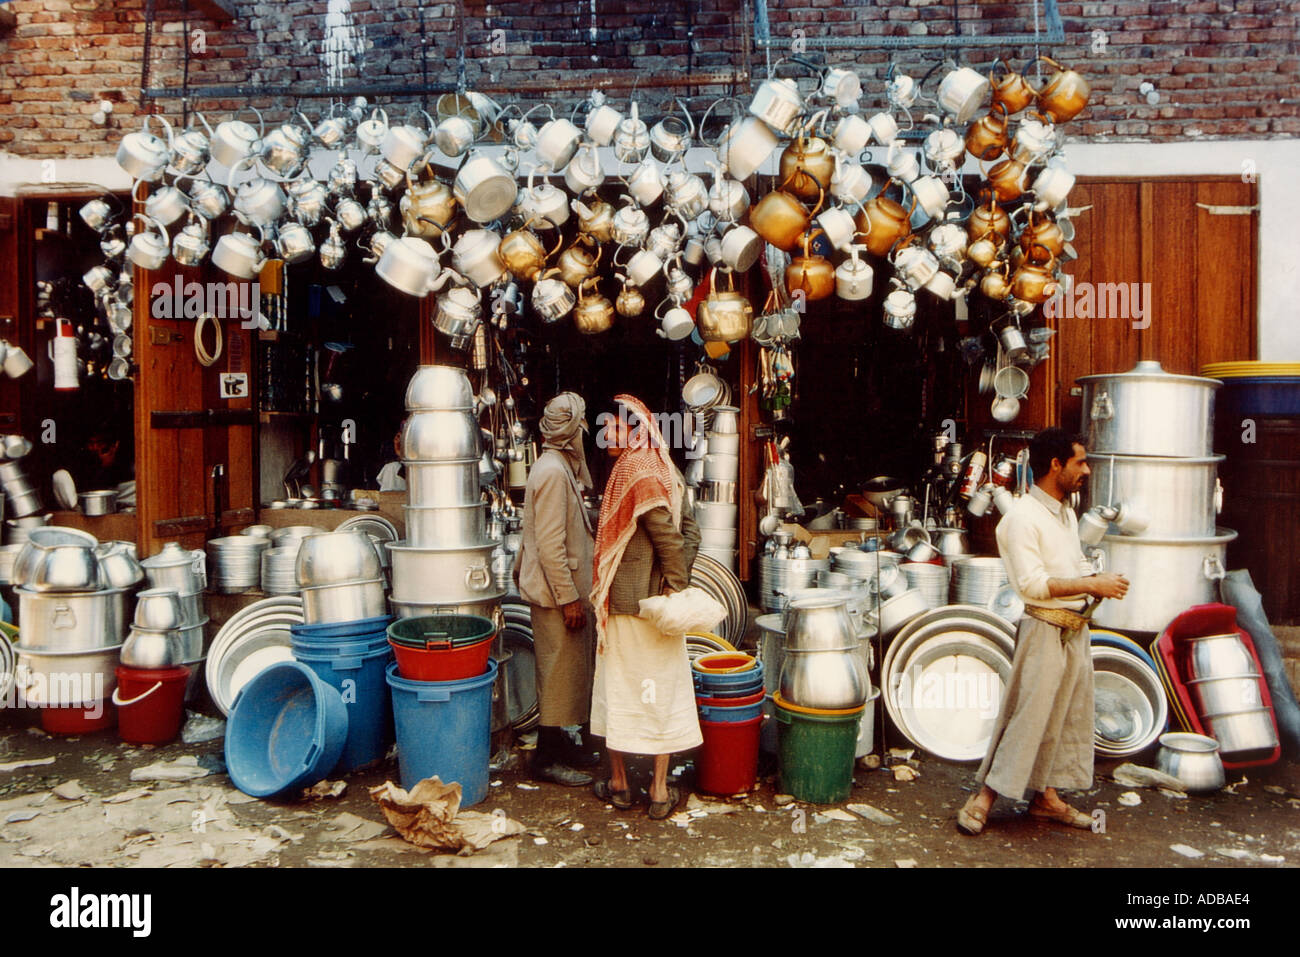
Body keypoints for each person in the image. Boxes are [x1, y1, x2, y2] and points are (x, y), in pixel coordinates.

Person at [957, 428, 1130, 836]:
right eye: (1080, 463)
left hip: (1074, 630)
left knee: (1066, 715)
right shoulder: (1020, 518)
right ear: (1056, 465)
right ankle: (983, 798)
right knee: (1027, 715)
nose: (1086, 470)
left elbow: (1068, 566)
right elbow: (1034, 585)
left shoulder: (1065, 512)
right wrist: (1091, 585)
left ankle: (1046, 798)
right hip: (1042, 627)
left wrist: (1094, 578)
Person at [588, 394, 702, 820]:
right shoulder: (665, 468)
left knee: (619, 691)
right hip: (651, 605)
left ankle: (622, 784)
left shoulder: (635, 470)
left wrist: (671, 589)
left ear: (635, 431)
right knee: (661, 693)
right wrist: (671, 586)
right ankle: (656, 790)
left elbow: (668, 538)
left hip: (631, 606)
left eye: (614, 428)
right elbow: (691, 535)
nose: (607, 437)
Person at [514, 392, 601, 786]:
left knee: (566, 674)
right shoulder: (551, 472)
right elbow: (550, 545)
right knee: (555, 676)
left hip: (560, 590)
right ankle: (545, 759)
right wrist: (568, 598)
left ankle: (563, 744)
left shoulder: (555, 465)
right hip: (555, 594)